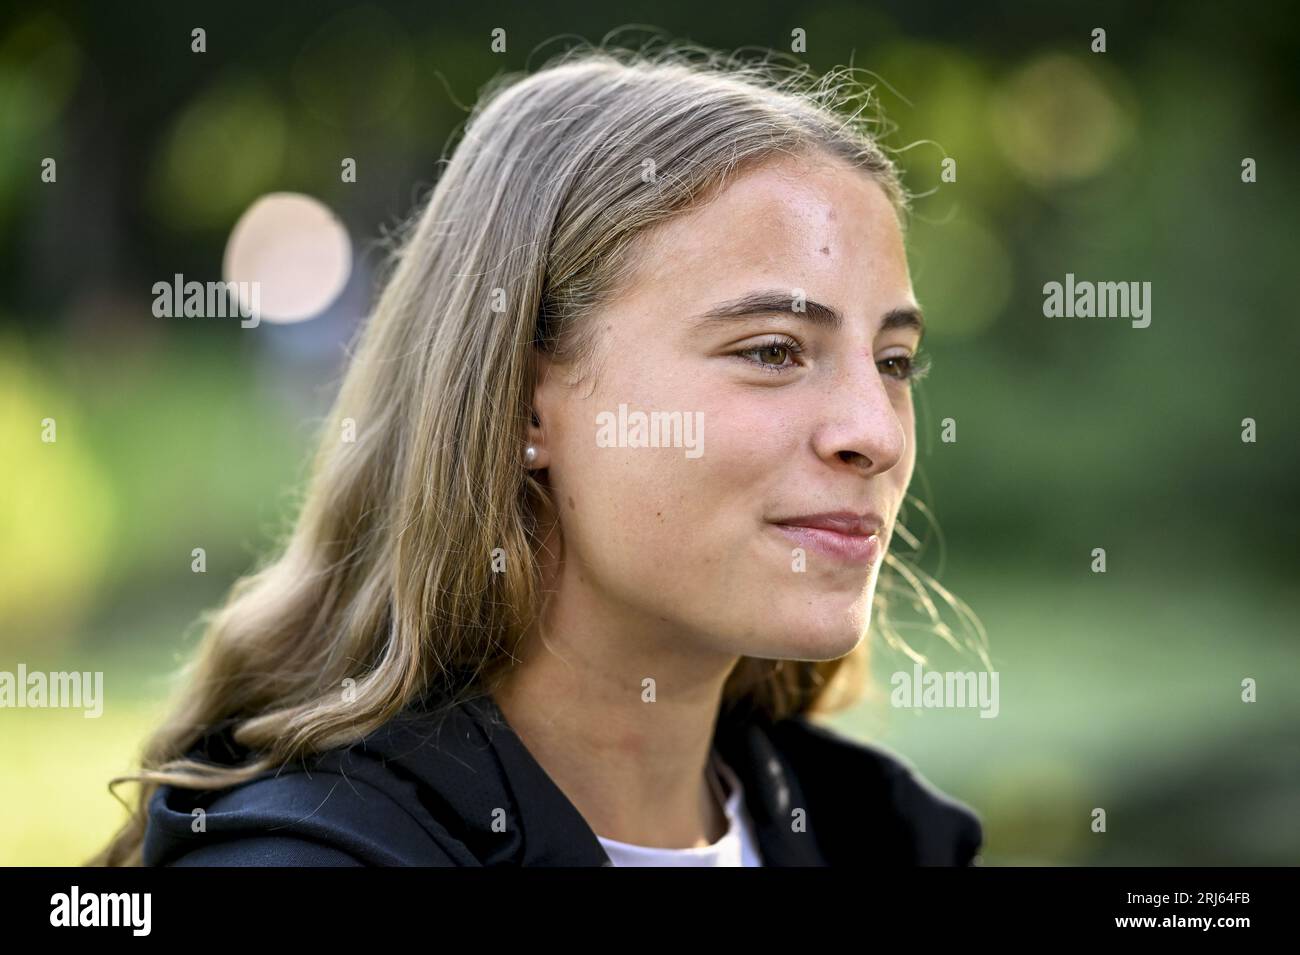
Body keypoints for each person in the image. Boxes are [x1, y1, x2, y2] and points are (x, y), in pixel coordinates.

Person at [94, 43, 986, 867]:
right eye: (772, 352)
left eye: (894, 361)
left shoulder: (888, 835)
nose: (875, 432)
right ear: (524, 403)